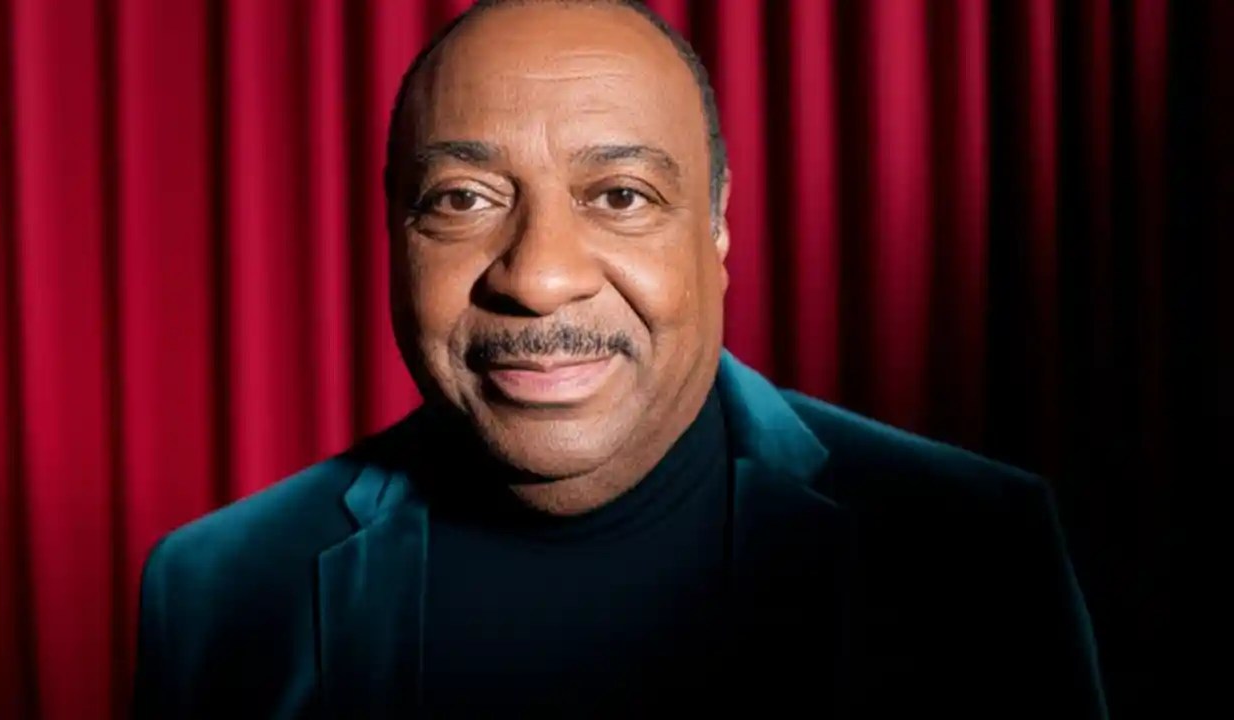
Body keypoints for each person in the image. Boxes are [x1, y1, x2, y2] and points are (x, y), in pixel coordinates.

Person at [131, 1, 1108, 717]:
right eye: (463, 199)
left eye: (621, 195)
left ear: (717, 229)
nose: (539, 277)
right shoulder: (219, 592)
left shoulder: (972, 551)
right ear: (395, 235)